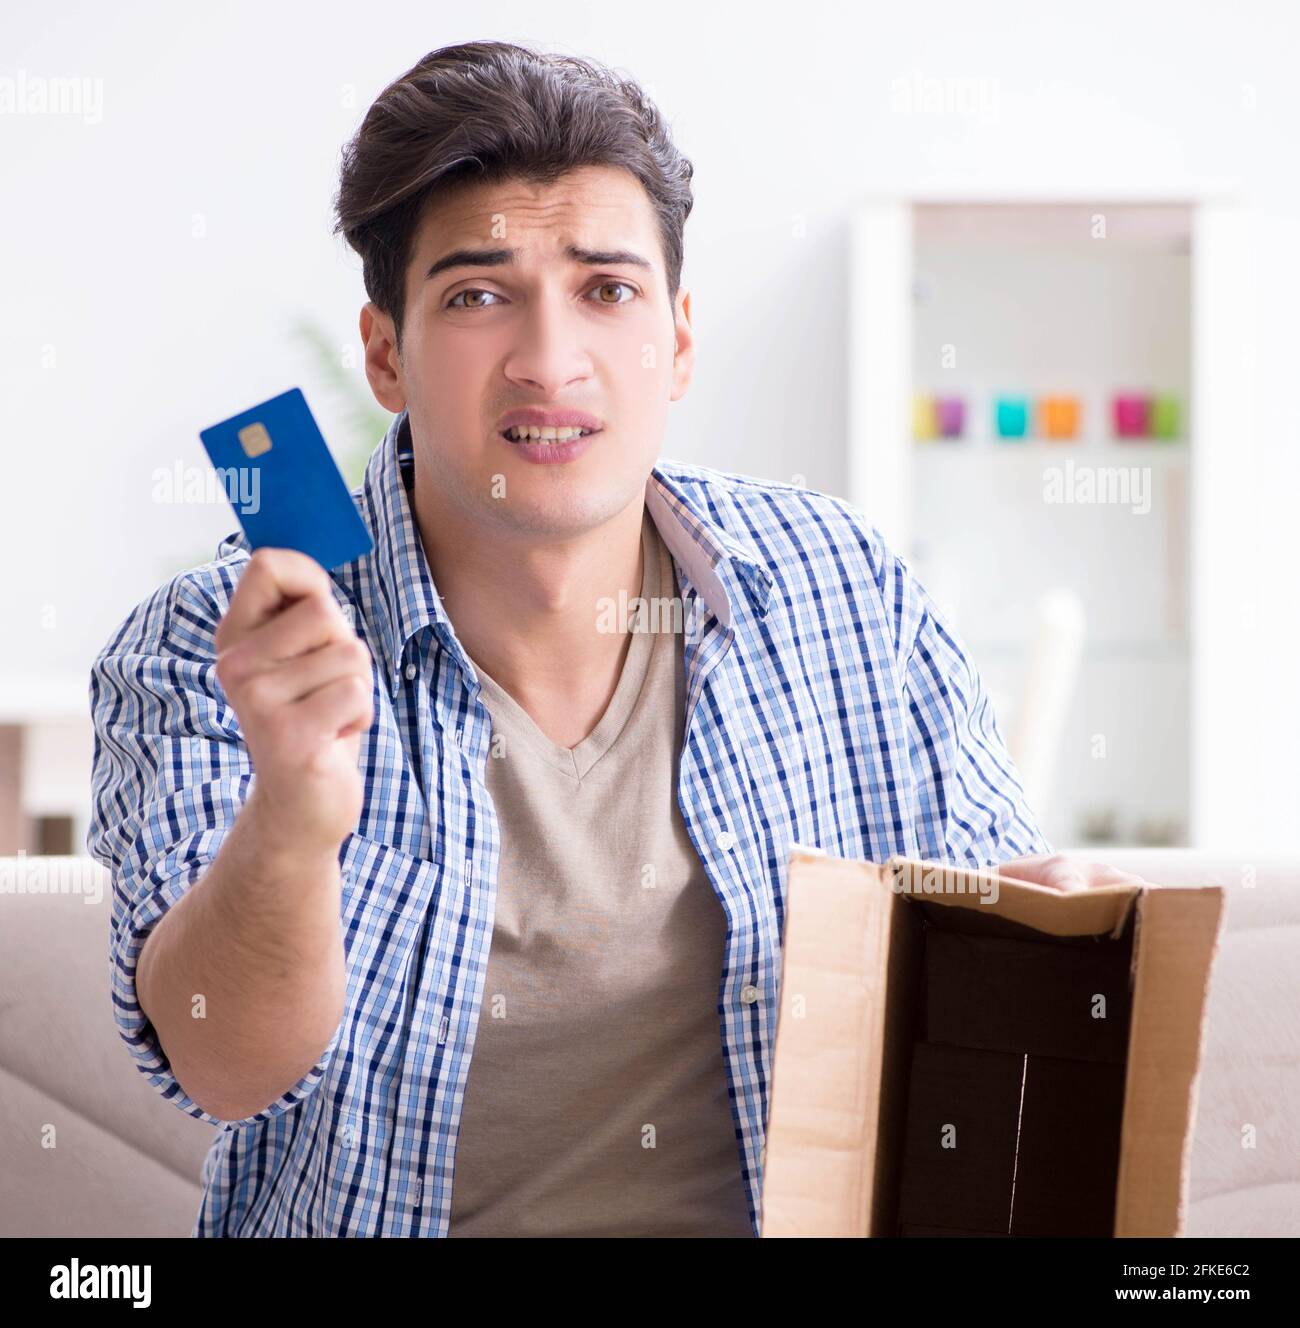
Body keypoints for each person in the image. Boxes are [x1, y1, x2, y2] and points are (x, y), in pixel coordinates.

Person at [87, 40, 1139, 1239]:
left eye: (607, 288)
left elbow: (995, 957)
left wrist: (1038, 935)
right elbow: (226, 1068)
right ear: (385, 352)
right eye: (477, 294)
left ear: (678, 339)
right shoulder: (207, 649)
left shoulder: (849, 591)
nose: (549, 360)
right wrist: (292, 814)